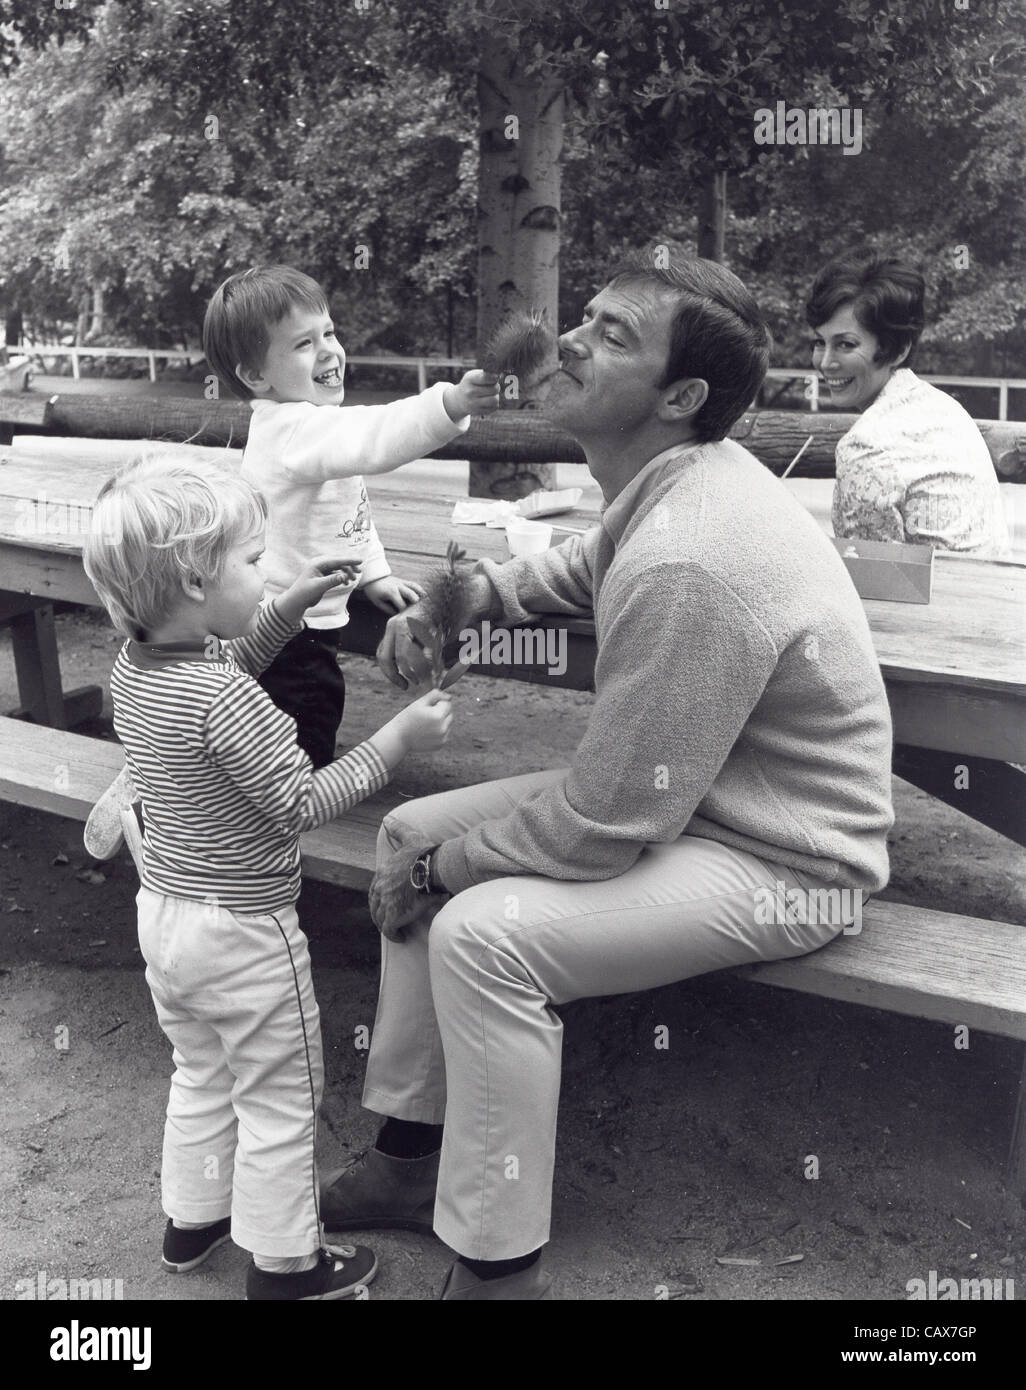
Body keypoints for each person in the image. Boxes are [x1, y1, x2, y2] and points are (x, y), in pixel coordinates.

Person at [319, 252, 896, 1300]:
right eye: (585, 315)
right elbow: (579, 565)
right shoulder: (669, 483)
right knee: (405, 835)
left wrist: (455, 870)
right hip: (694, 811)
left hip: (781, 856)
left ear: (681, 399)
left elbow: (610, 818)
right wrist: (461, 597)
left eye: (614, 334)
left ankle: (501, 1270)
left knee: (480, 933)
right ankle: (409, 1162)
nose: (571, 338)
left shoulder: (692, 557)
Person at [82, 456, 453, 1300]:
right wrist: (395, 743)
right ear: (193, 579)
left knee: (202, 1073)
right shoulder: (229, 702)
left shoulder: (138, 671)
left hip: (167, 920)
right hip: (248, 935)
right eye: (254, 563)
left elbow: (224, 669)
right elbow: (300, 801)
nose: (266, 571)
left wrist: (282, 610)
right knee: (284, 1098)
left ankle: (193, 1217)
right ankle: (288, 1265)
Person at [204, 263, 499, 767]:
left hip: (294, 617)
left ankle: (221, 782)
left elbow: (348, 514)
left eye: (329, 332)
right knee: (305, 725)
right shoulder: (292, 429)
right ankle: (289, 811)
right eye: (303, 344)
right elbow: (375, 437)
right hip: (289, 629)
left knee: (271, 723)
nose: (329, 352)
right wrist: (448, 403)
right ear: (255, 376)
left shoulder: (310, 427)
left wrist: (374, 574)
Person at [805, 249, 1009, 555]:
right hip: (988, 595)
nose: (825, 362)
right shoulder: (944, 408)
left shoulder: (866, 446)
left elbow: (871, 583)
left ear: (897, 350)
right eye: (820, 342)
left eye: (846, 344)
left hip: (944, 600)